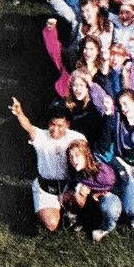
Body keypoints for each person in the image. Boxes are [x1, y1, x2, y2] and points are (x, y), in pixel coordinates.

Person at [9, 97, 86, 233]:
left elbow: (86, 160)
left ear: (68, 124)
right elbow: (29, 127)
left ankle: (71, 213)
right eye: (52, 124)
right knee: (52, 225)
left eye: (60, 125)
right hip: (46, 187)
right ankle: (51, 207)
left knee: (80, 199)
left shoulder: (77, 138)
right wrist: (20, 113)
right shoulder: (41, 136)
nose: (55, 129)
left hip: (67, 186)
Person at [62, 139, 134, 241]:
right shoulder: (76, 172)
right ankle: (106, 227)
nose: (74, 160)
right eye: (71, 157)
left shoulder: (102, 169)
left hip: (124, 183)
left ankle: (133, 216)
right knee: (109, 209)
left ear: (86, 155)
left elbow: (121, 183)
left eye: (77, 155)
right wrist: (79, 187)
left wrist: (97, 193)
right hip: (107, 190)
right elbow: (73, 182)